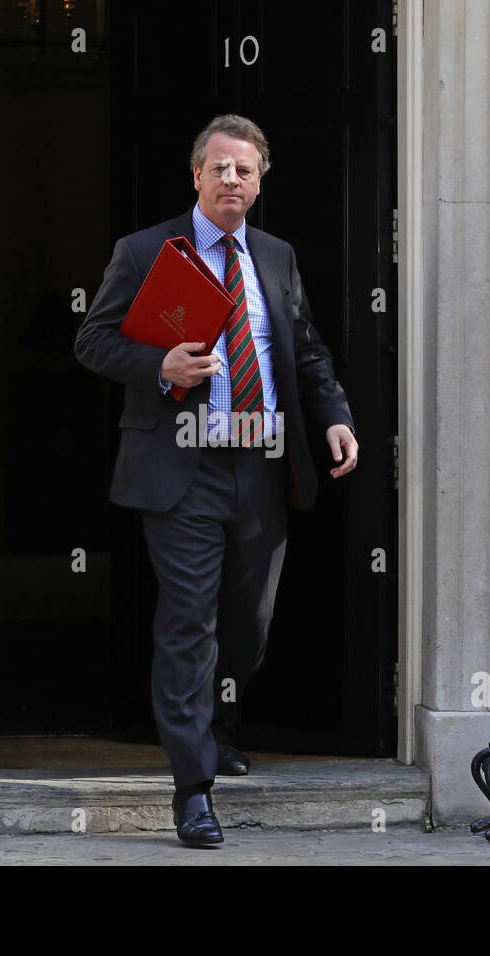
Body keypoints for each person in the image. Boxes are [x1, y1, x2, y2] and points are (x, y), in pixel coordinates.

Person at [73, 114, 358, 846]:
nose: (233, 179)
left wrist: (333, 416)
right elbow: (93, 340)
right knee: (188, 623)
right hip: (183, 468)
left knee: (249, 623)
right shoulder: (145, 253)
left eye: (247, 170)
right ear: (196, 175)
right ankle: (192, 788)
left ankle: (218, 718)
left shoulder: (278, 257)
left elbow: (309, 353)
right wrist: (158, 366)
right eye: (221, 168)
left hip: (262, 464)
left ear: (260, 182)